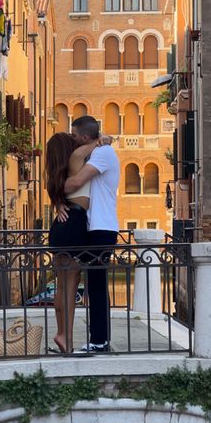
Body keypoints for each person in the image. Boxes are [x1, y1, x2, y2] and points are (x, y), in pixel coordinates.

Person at [63, 115, 120, 352]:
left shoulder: (103, 154)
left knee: (96, 286)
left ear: (85, 137)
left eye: (75, 136)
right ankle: (98, 339)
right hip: (93, 227)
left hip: (102, 228)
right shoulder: (97, 150)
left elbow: (76, 183)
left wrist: (56, 187)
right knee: (94, 285)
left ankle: (99, 341)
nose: (73, 140)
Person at [45, 132, 101, 354]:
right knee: (69, 285)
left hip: (62, 227)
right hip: (73, 223)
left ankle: (63, 334)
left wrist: (58, 203)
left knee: (62, 285)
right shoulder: (77, 159)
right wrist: (99, 140)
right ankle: (64, 336)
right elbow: (97, 141)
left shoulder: (58, 174)